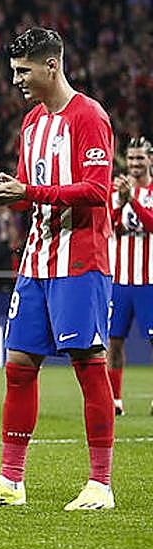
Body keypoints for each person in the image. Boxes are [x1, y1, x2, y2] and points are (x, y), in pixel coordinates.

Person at [0, 28, 117, 511]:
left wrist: (28, 193)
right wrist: (9, 193)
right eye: (13, 70)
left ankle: (100, 484)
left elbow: (96, 190)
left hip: (80, 259)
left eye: (24, 70)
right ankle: (10, 481)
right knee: (19, 366)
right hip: (36, 258)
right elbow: (34, 187)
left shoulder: (88, 117)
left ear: (52, 66)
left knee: (89, 365)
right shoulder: (31, 123)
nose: (17, 80)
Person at [110, 137, 153, 416]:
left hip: (149, 280)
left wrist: (132, 203)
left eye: (140, 158)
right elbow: (108, 226)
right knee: (114, 342)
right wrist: (120, 205)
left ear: (151, 160)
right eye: (131, 158)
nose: (135, 163)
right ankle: (114, 402)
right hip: (119, 281)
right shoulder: (115, 190)